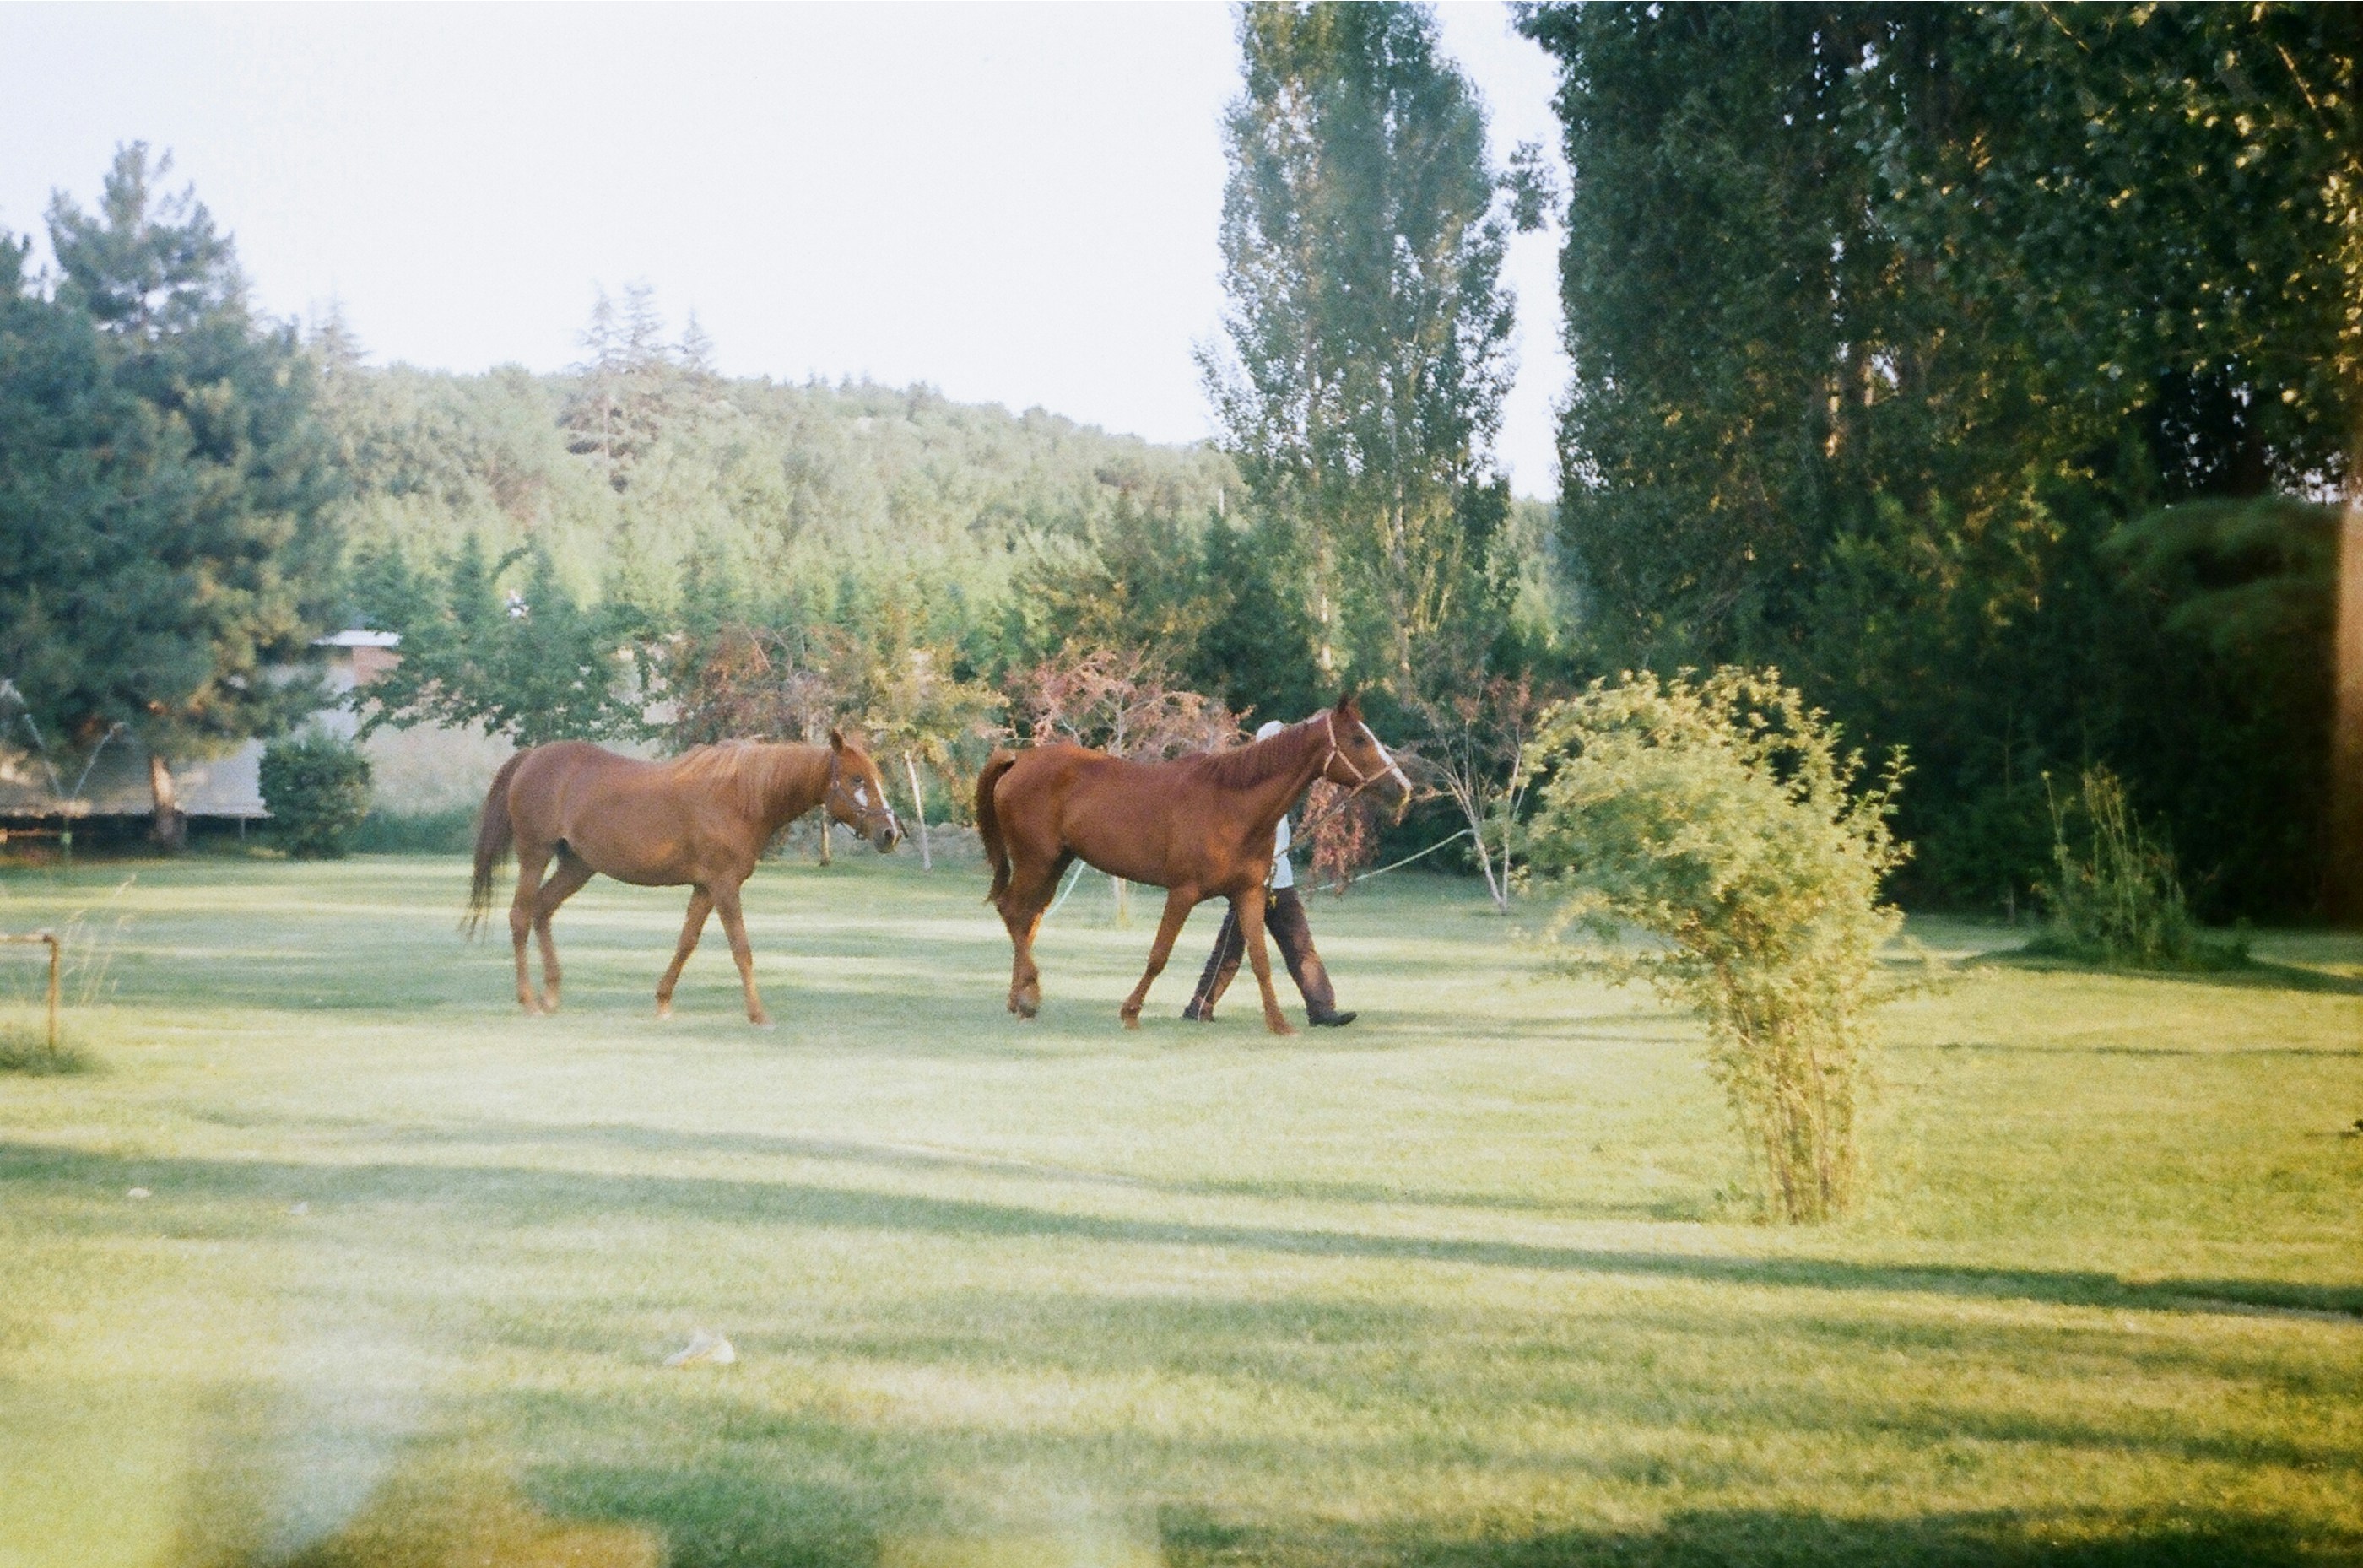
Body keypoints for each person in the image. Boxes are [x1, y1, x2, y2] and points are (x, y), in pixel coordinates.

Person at [1182, 721, 1356, 1028]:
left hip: (1282, 881)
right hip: (1252, 884)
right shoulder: (1251, 791)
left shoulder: (1284, 787)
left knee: (1301, 947)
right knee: (1229, 952)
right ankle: (1199, 1008)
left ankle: (1322, 1010)